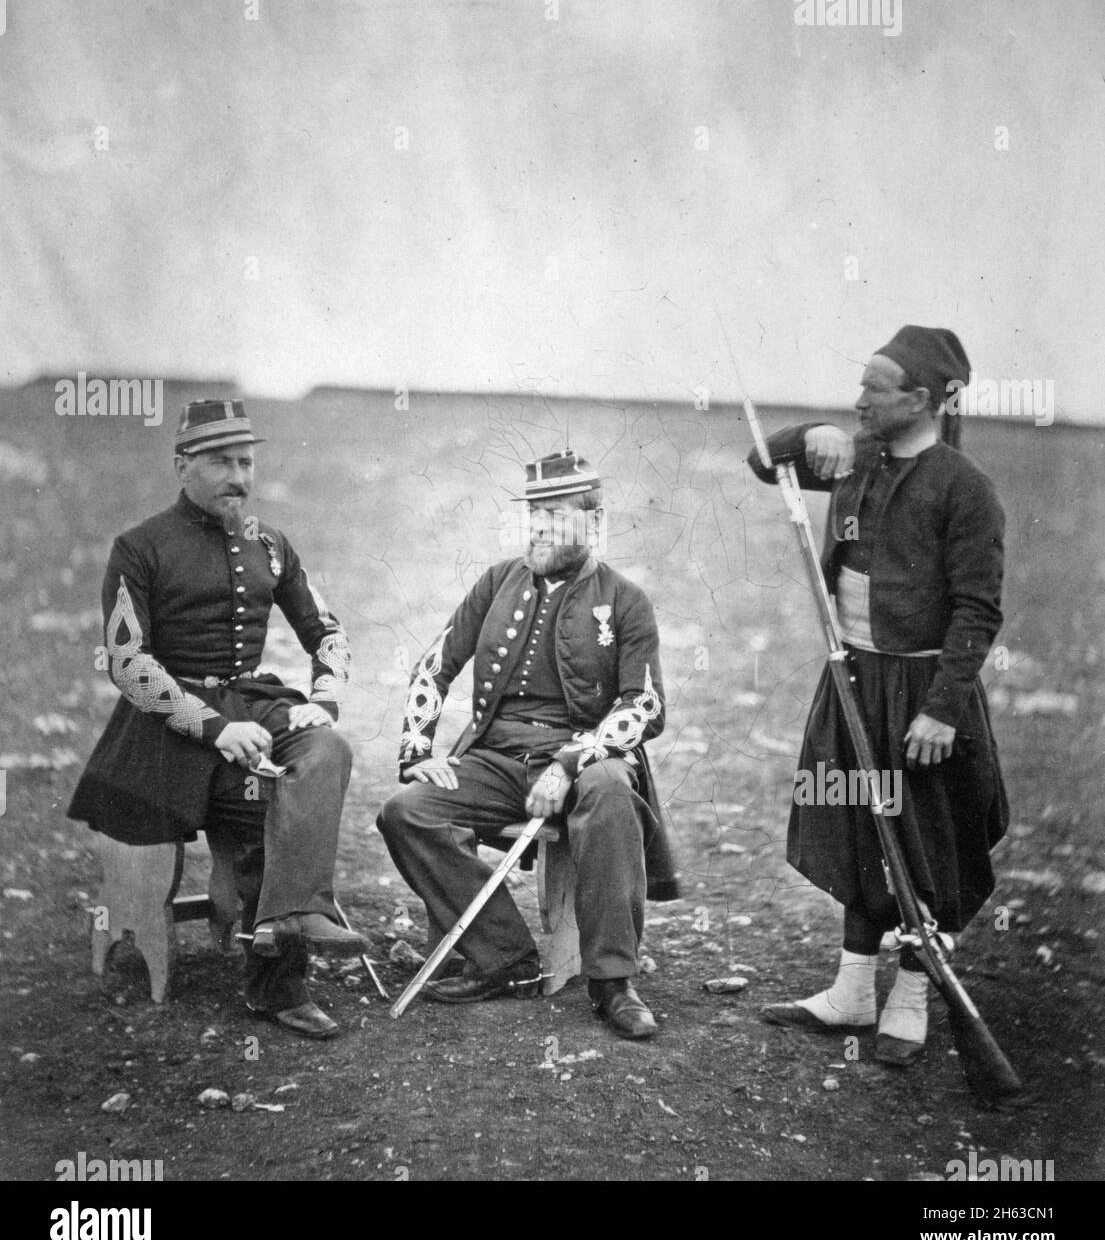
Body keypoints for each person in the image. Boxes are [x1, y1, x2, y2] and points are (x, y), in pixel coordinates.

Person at [747, 326, 1010, 1066]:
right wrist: (814, 434)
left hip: (920, 689)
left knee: (924, 842)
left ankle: (911, 998)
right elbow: (763, 460)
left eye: (873, 389)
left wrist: (940, 709)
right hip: (851, 675)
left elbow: (977, 610)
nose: (858, 400)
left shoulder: (963, 489)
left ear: (920, 400)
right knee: (857, 825)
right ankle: (850, 992)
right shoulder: (855, 459)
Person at [69, 399, 362, 1040]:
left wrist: (325, 696)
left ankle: (282, 958)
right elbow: (126, 661)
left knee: (326, 749)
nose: (239, 476)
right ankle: (283, 935)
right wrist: (214, 728)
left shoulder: (270, 545)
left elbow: (328, 630)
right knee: (268, 803)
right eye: (221, 461)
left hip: (250, 707)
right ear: (183, 466)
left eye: (246, 461)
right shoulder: (139, 547)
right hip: (160, 734)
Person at [378, 451, 678, 1040]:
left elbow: (645, 705)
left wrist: (570, 763)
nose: (537, 526)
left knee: (613, 792)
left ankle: (613, 981)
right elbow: (434, 666)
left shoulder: (625, 599)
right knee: (407, 813)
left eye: (556, 513)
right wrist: (417, 752)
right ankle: (506, 960)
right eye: (533, 512)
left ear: (592, 523)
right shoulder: (497, 581)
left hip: (585, 760)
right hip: (496, 759)